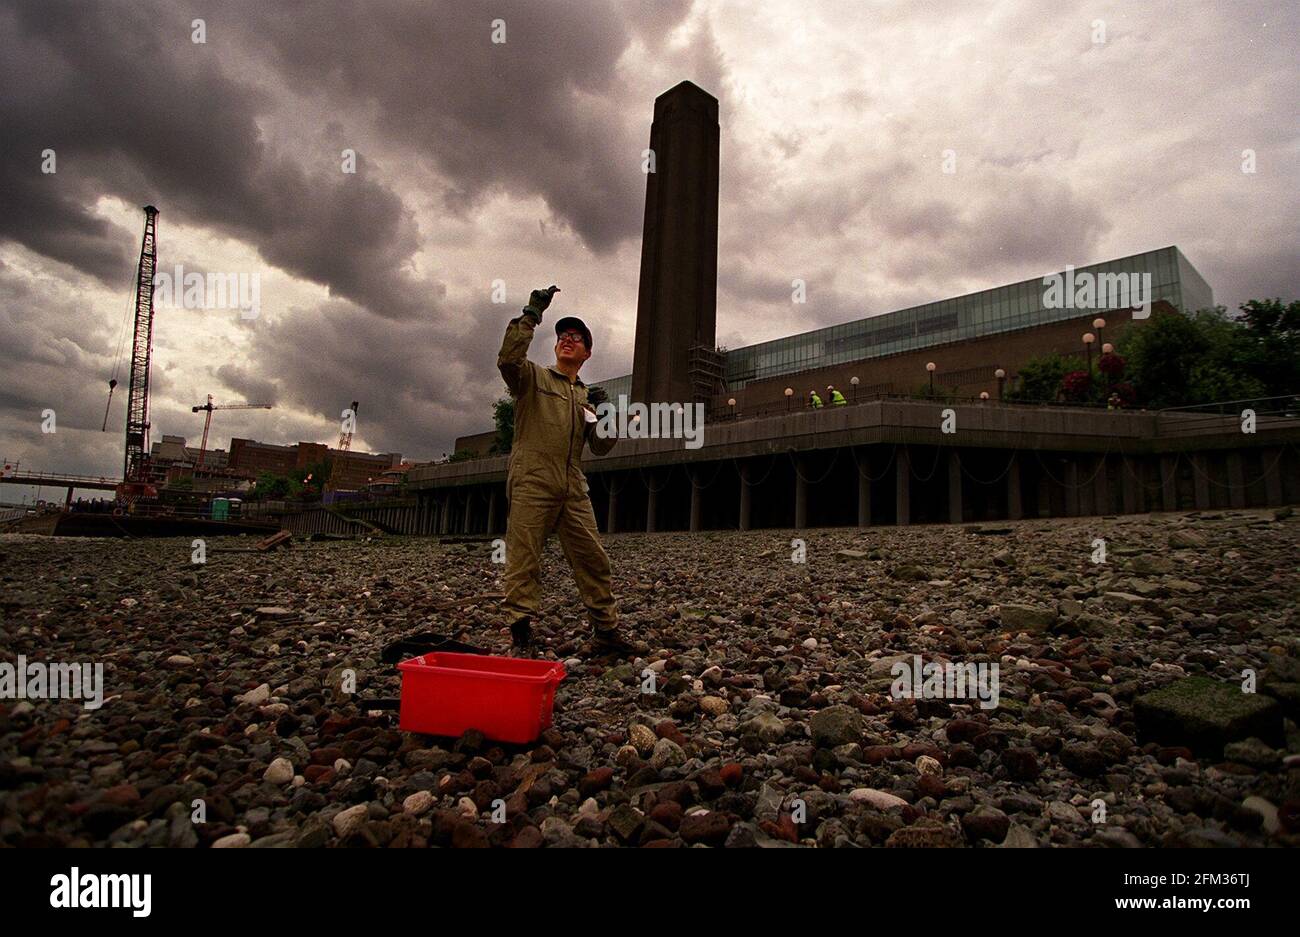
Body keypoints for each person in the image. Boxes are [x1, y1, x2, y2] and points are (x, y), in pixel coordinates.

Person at [496, 285, 640, 659]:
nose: (567, 340)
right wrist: (531, 315)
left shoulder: (585, 396)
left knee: (593, 558)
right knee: (524, 557)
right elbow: (508, 361)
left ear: (587, 352)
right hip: (533, 479)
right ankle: (521, 634)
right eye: (562, 336)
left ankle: (606, 632)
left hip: (573, 485)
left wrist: (606, 413)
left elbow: (602, 446)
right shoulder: (534, 379)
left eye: (576, 338)